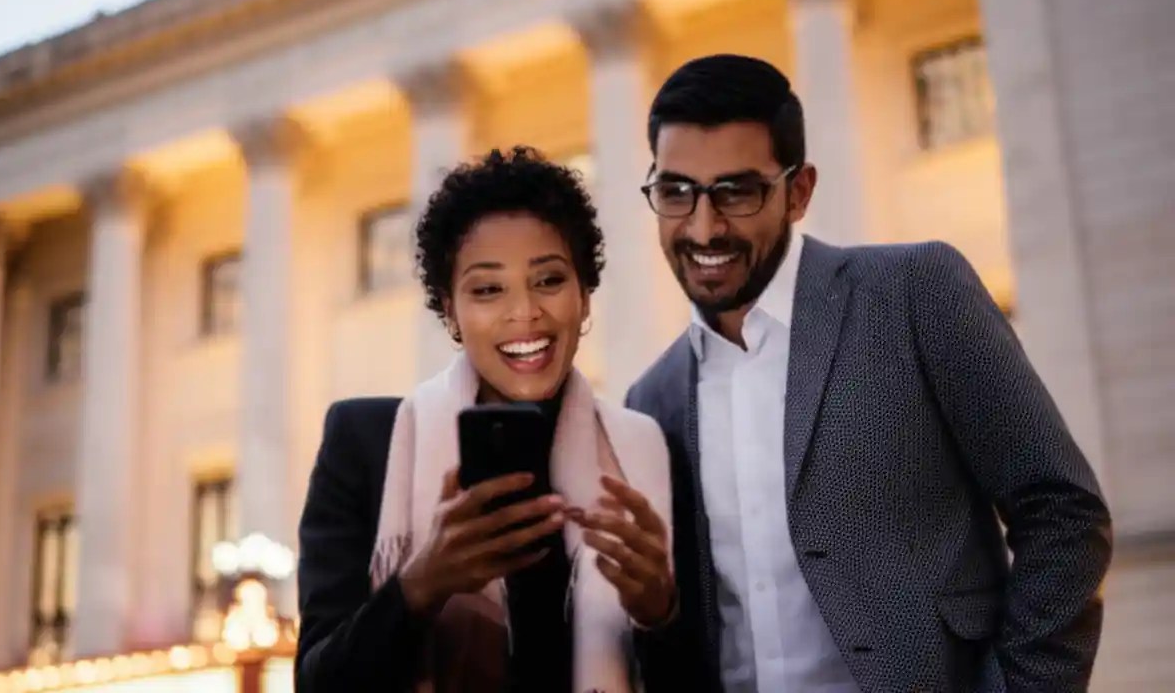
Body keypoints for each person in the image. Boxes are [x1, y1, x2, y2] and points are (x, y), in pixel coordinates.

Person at [625, 54, 1113, 692]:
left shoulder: (914, 293)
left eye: (738, 192)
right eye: (675, 192)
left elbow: (1064, 513)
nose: (703, 226)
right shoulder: (653, 400)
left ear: (798, 192)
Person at [295, 147, 687, 692]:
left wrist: (658, 611)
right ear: (451, 313)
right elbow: (317, 683)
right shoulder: (365, 443)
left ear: (585, 297)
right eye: (486, 289)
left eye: (549, 280)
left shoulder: (643, 453)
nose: (524, 311)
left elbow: (699, 675)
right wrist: (420, 584)